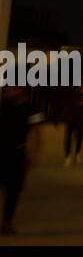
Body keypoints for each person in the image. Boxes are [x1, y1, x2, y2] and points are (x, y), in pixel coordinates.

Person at [1, 85, 43, 235]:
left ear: (20, 90)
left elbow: (37, 132)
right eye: (6, 89)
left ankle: (7, 222)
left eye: (12, 89)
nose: (7, 92)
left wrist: (34, 154)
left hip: (17, 153)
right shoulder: (2, 106)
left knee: (14, 190)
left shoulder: (31, 109)